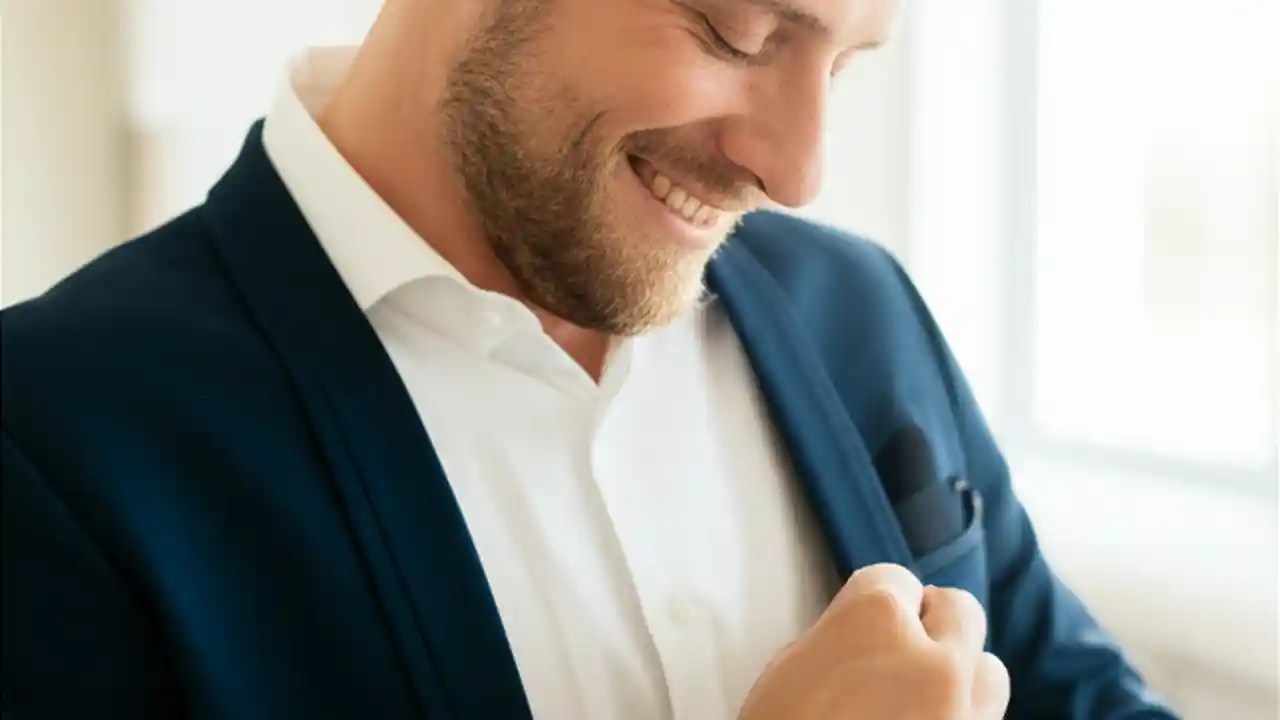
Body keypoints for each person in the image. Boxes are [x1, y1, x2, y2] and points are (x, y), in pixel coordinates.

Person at [1, 0, 1178, 718]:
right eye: (736, 31)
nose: (798, 169)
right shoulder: (56, 439)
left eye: (848, 60)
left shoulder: (856, 310)